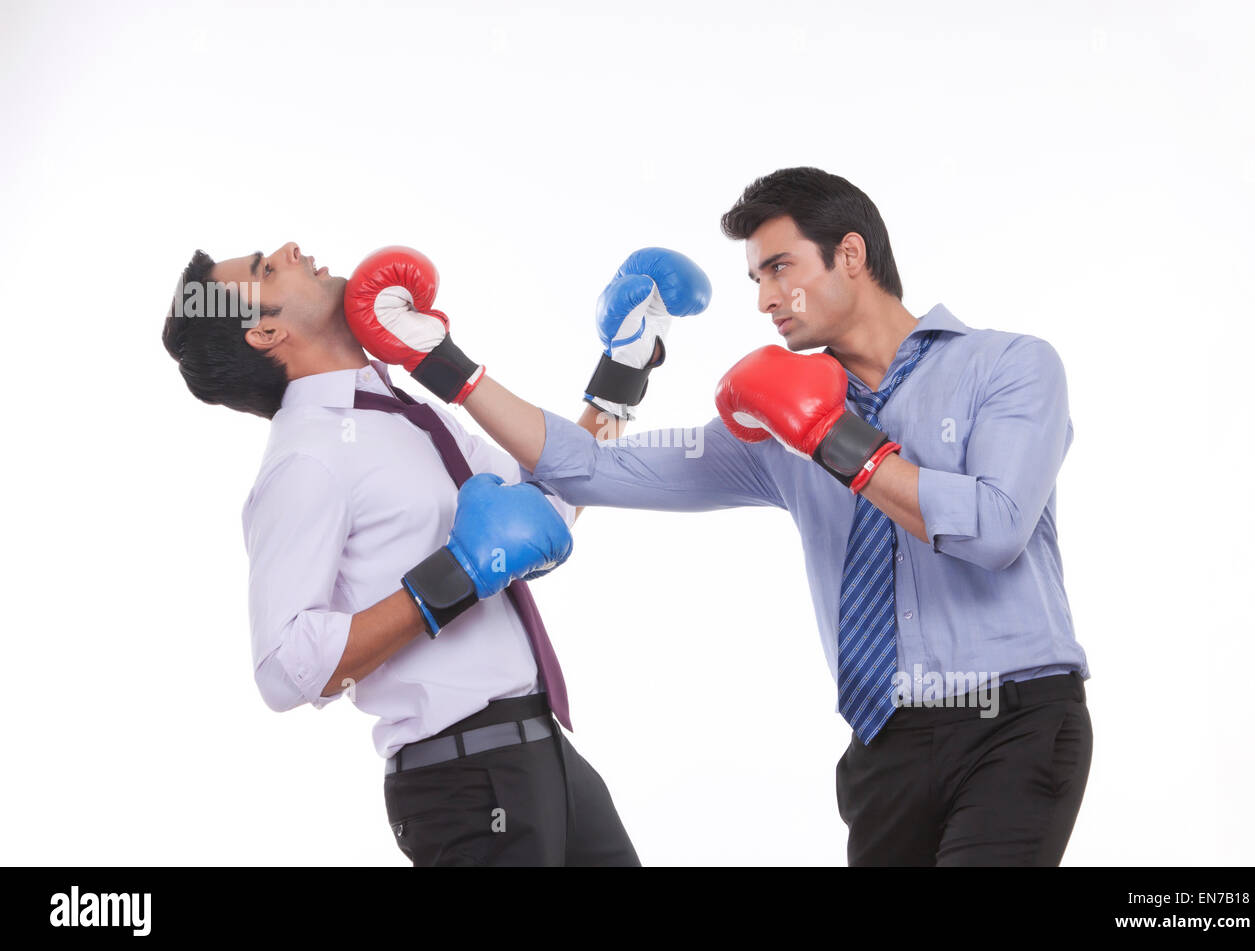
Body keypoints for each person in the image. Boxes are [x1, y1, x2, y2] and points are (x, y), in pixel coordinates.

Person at [349, 167, 1094, 866]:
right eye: (755, 279)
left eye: (780, 268)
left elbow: (996, 528)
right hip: (883, 748)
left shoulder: (1009, 367)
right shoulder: (772, 429)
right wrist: (444, 362)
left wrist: (835, 442)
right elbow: (595, 467)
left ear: (852, 255)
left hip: (1015, 723)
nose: (766, 300)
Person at [160, 241, 642, 866]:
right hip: (465, 779)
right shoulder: (305, 459)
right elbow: (283, 668)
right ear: (266, 332)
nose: (291, 249)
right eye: (266, 269)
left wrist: (627, 365)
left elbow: (551, 498)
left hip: (548, 757)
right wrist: (456, 577)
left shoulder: (401, 416)